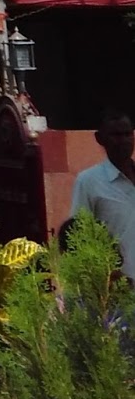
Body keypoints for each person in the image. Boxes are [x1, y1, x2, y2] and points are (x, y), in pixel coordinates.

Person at [69, 111, 135, 282]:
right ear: (100, 139)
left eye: (128, 134)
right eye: (116, 135)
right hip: (118, 288)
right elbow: (79, 234)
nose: (124, 141)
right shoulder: (88, 182)